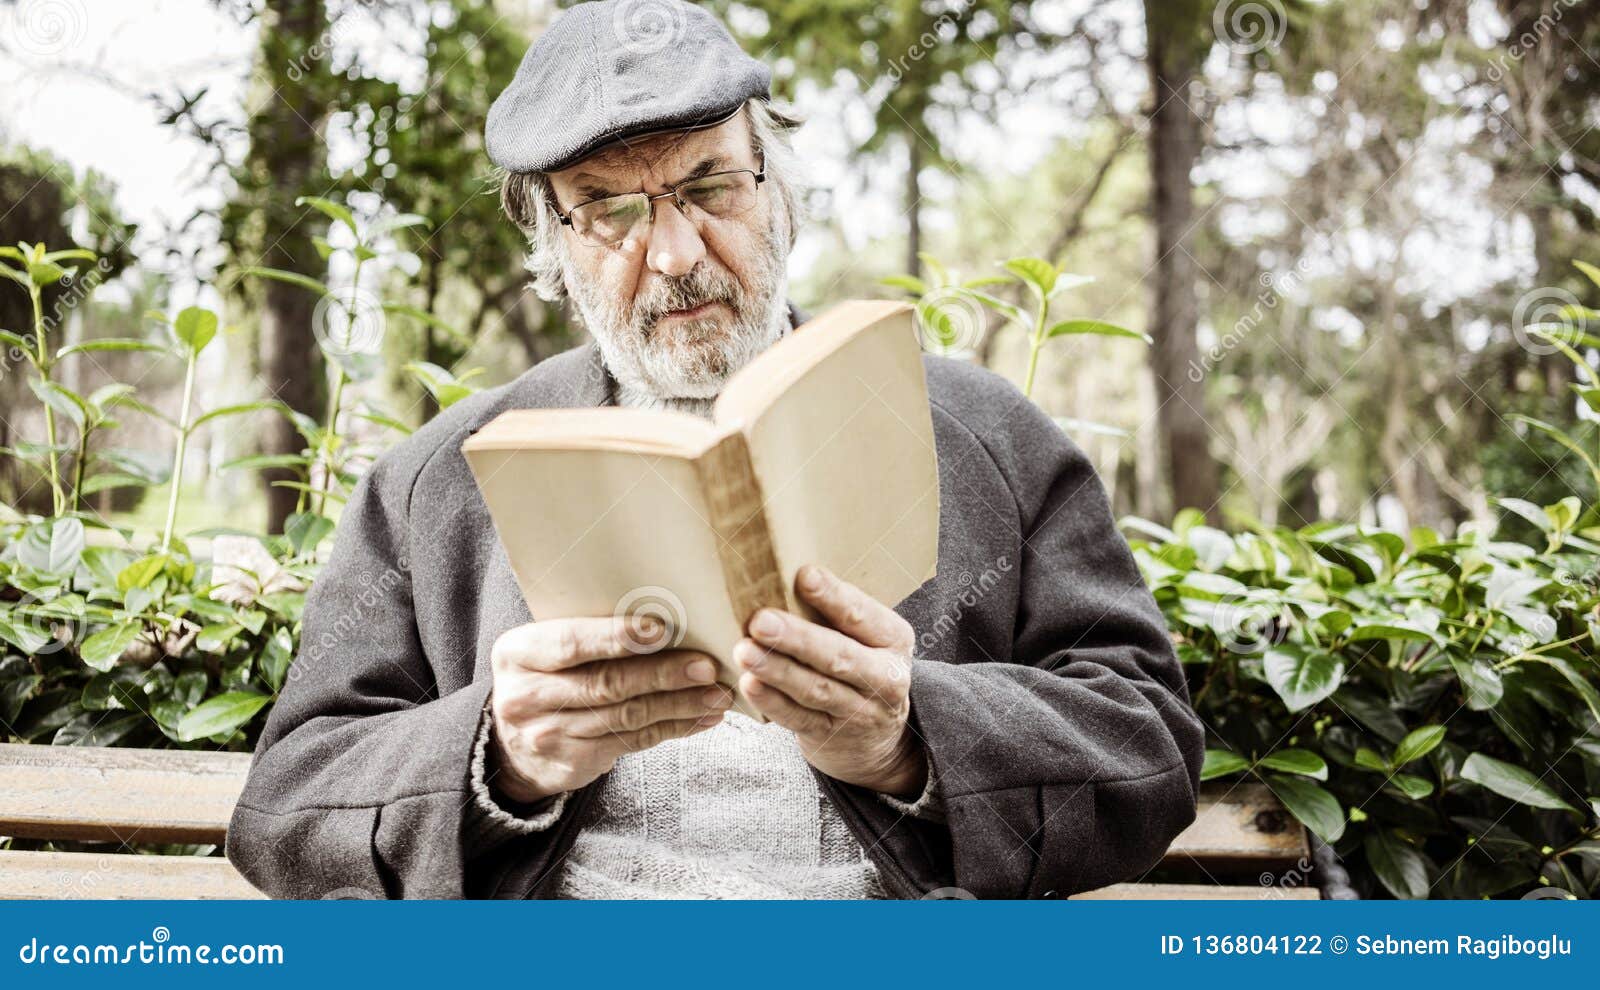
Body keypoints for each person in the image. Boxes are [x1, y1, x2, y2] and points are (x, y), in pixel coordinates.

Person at [226, 0, 1203, 899]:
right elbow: (284, 810)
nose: (678, 255)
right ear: (552, 245)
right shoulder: (434, 483)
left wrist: (909, 734)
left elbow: (1146, 742)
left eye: (709, 185)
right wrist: (496, 755)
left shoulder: (988, 435)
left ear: (778, 187)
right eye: (608, 210)